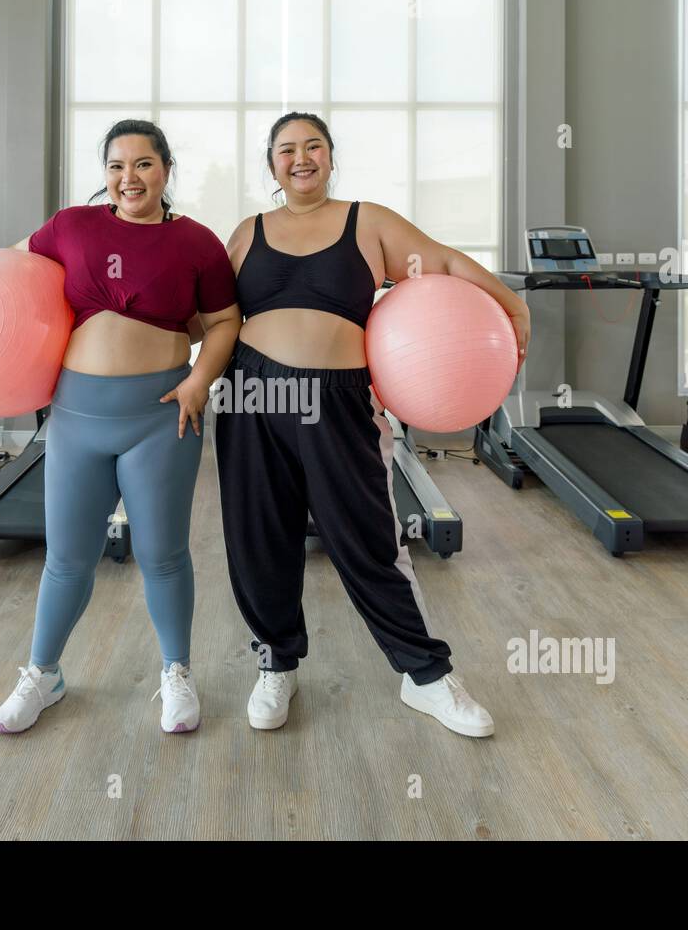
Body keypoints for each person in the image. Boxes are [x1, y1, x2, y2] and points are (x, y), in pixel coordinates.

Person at [215, 112, 531, 737]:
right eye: (286, 149)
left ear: (331, 157)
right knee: (258, 539)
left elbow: (442, 262)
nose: (300, 158)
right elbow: (214, 315)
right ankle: (277, 663)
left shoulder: (368, 222)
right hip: (250, 396)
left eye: (313, 147)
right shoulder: (247, 231)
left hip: (337, 400)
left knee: (368, 543)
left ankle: (426, 677)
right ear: (271, 164)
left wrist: (513, 304)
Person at [0, 120, 241, 735]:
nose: (128, 178)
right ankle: (42, 674)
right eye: (116, 165)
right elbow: (9, 279)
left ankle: (176, 674)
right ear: (104, 172)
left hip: (160, 417)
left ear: (165, 170)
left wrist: (196, 382)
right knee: (67, 558)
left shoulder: (197, 242)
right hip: (77, 416)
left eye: (144, 164)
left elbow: (226, 321)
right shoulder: (72, 225)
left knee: (162, 555)